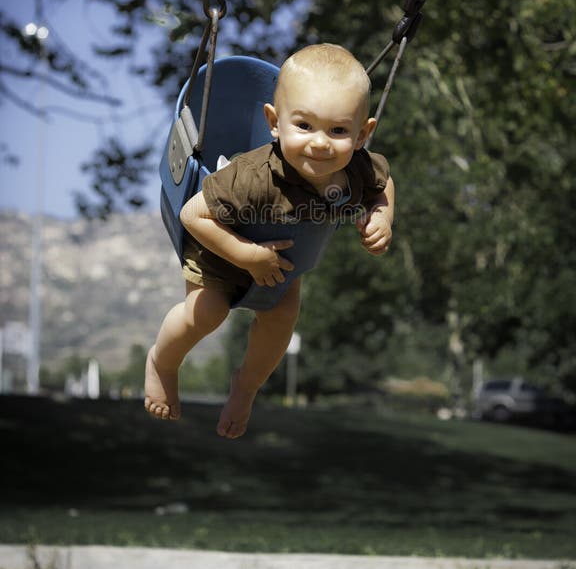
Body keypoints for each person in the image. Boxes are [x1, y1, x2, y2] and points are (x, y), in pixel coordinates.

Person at [144, 43, 395, 438]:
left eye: (338, 130)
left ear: (363, 134)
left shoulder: (357, 169)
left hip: (284, 261)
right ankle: (162, 362)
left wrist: (382, 216)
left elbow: (384, 183)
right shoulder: (253, 175)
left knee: (281, 318)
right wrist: (247, 255)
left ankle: (246, 387)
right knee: (208, 312)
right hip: (220, 249)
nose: (320, 142)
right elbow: (193, 214)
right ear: (275, 123)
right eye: (304, 126)